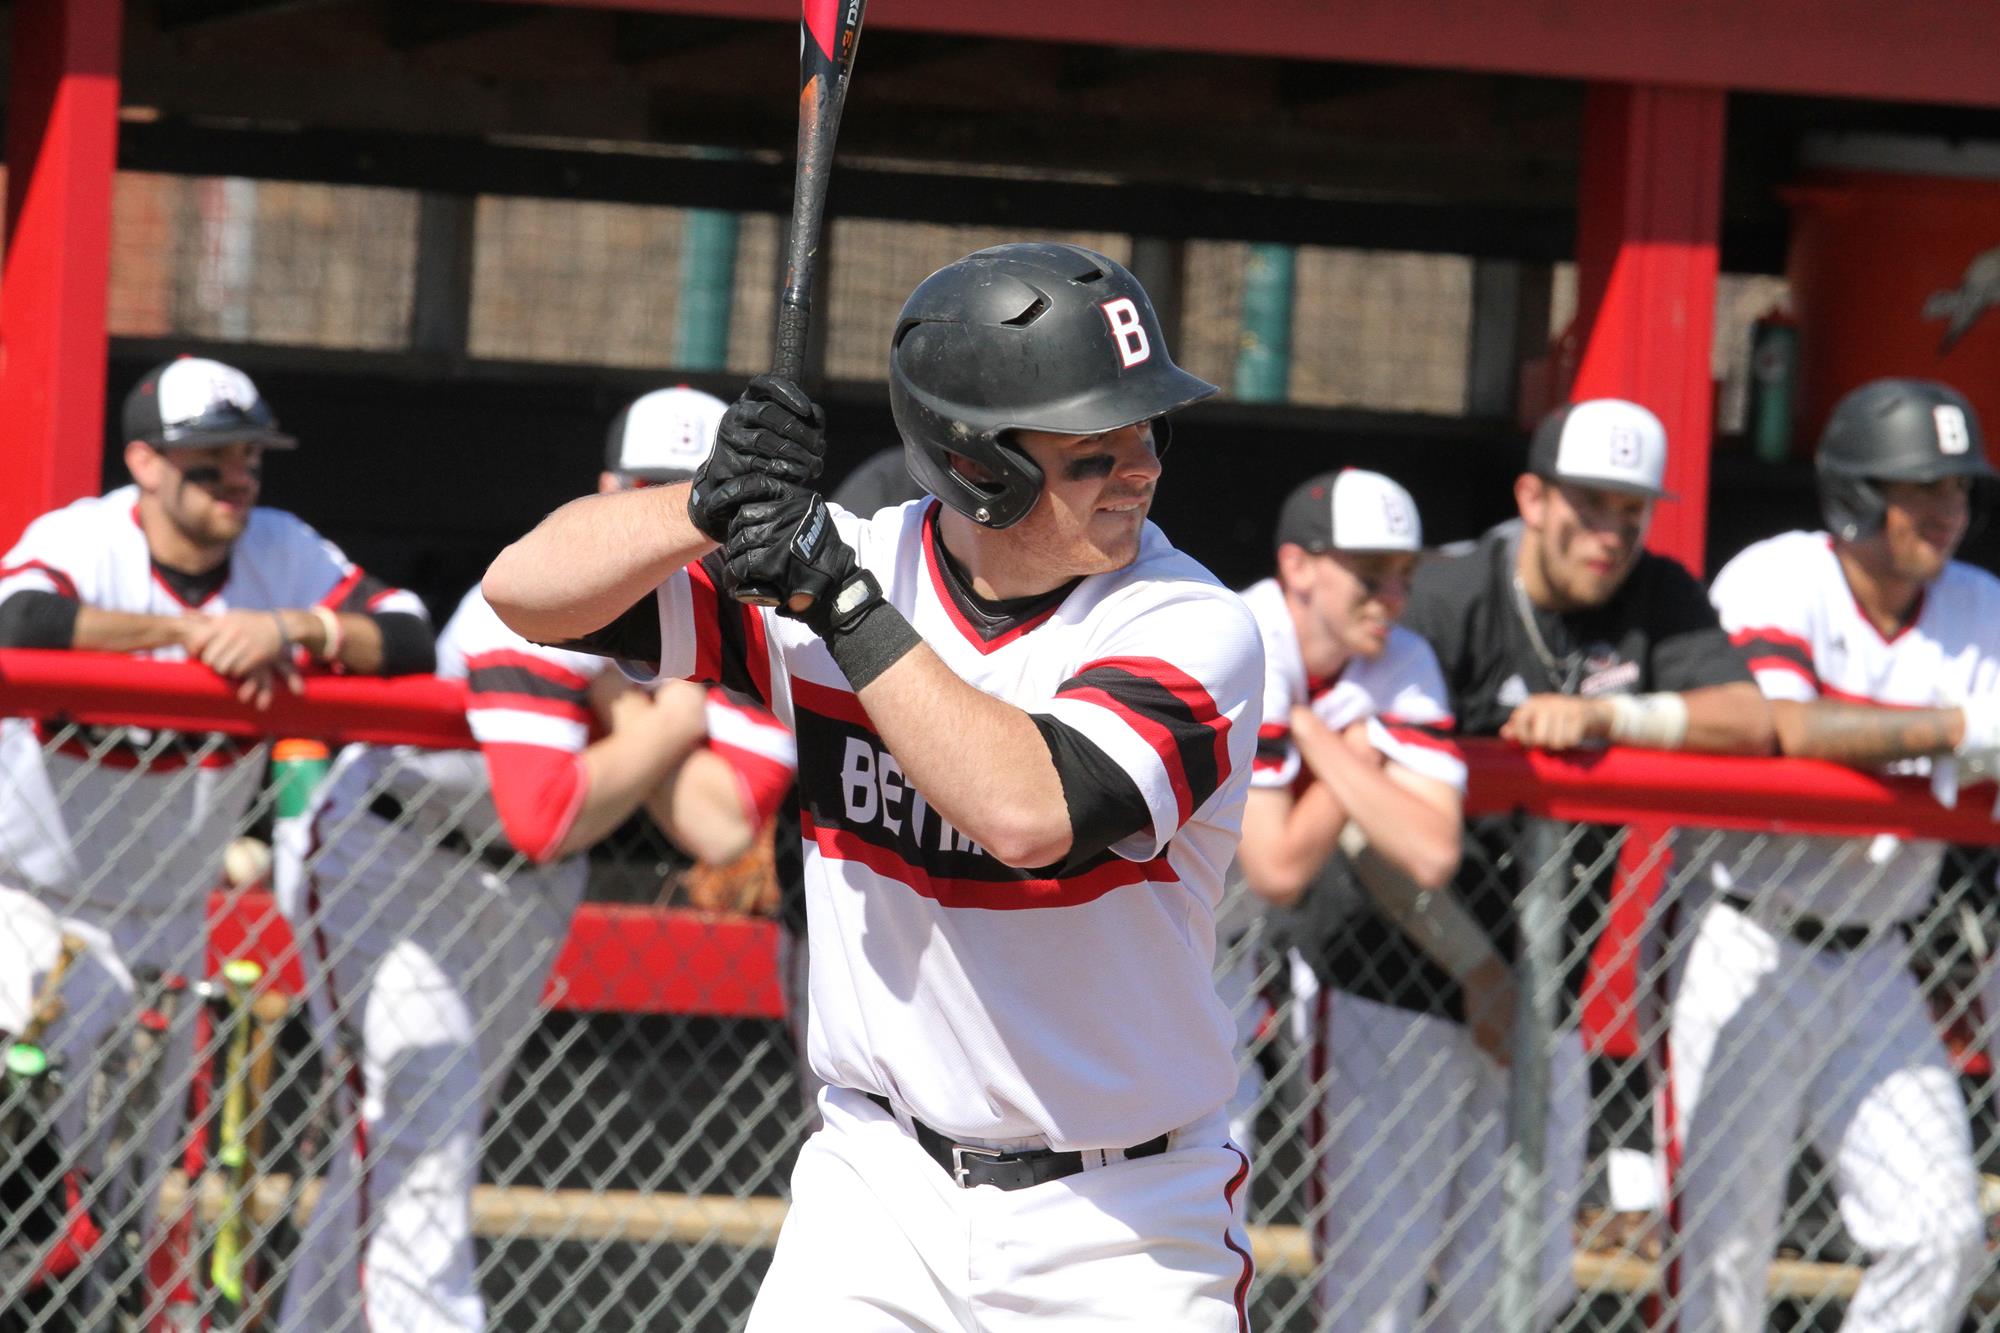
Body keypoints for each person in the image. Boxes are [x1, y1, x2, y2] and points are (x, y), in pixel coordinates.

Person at [485, 241, 1265, 1330]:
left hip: (1120, 1218)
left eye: (1148, 432)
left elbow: (1026, 814)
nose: (1139, 467)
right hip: (878, 1187)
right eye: (1093, 449)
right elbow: (524, 592)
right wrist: (704, 504)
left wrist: (840, 605)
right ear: (975, 463)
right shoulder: (856, 559)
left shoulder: (1190, 622)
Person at [272, 386, 789, 1333]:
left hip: (525, 898)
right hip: (391, 852)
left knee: (409, 1142)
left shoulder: (758, 623)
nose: (674, 526)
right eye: (650, 492)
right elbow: (543, 813)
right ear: (607, 490)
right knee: (421, 1130)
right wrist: (672, 715)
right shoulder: (533, 591)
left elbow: (722, 830)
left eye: (699, 496)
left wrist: (621, 712)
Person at [0, 356, 435, 1309]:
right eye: (211, 461)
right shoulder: (87, 538)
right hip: (23, 904)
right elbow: (19, 619)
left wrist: (293, 628)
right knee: (16, 1167)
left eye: (249, 458)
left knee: (113, 1212)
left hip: (165, 921)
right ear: (145, 463)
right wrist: (185, 639)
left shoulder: (277, 552)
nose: (239, 478)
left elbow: (409, 635)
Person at [1391, 398, 1772, 1331]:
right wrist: (1476, 972)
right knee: (1377, 1278)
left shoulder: (1656, 593)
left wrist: (1614, 716)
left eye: (1629, 510)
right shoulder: (1449, 596)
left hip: (1546, 987)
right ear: (1532, 495)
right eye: (1587, 505)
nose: (1609, 533)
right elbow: (1368, 798)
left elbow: (1750, 721)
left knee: (1520, 1282)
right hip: (1395, 979)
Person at [1675, 378, 1998, 1333]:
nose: (1949, 511)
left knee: (1942, 1232)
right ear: (1857, 493)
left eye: (1959, 489)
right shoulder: (1778, 575)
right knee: (1721, 1255)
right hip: (1747, 943)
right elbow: (1781, 722)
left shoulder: (1979, 603)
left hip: (1881, 959)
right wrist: (1949, 730)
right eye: (1923, 487)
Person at [1222, 468, 1469, 1239]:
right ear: (1298, 566)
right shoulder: (1240, 635)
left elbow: (1431, 850)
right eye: (1370, 575)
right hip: (1124, 952)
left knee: (1207, 1218)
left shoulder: (1401, 656)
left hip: (1226, 963)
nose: (1393, 598)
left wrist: (1319, 744)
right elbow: (1281, 867)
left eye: (1404, 575)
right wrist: (1354, 763)